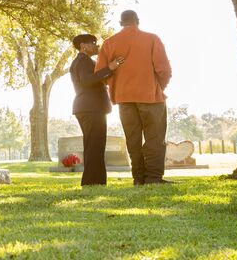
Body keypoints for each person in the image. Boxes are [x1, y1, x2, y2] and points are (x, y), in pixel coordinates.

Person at [98, 10, 173, 185]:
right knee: (154, 138)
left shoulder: (109, 43)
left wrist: (118, 86)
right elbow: (164, 70)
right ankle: (153, 177)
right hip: (151, 96)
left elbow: (101, 74)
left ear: (120, 23)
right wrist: (159, 87)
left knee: (133, 139)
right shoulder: (152, 39)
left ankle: (138, 178)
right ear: (137, 21)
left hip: (124, 98)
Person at [69, 33, 123, 187]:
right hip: (90, 108)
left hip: (89, 108)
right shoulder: (83, 61)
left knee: (94, 145)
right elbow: (87, 80)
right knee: (95, 146)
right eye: (93, 42)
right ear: (83, 46)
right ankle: (92, 182)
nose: (97, 45)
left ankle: (95, 181)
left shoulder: (84, 61)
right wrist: (109, 68)